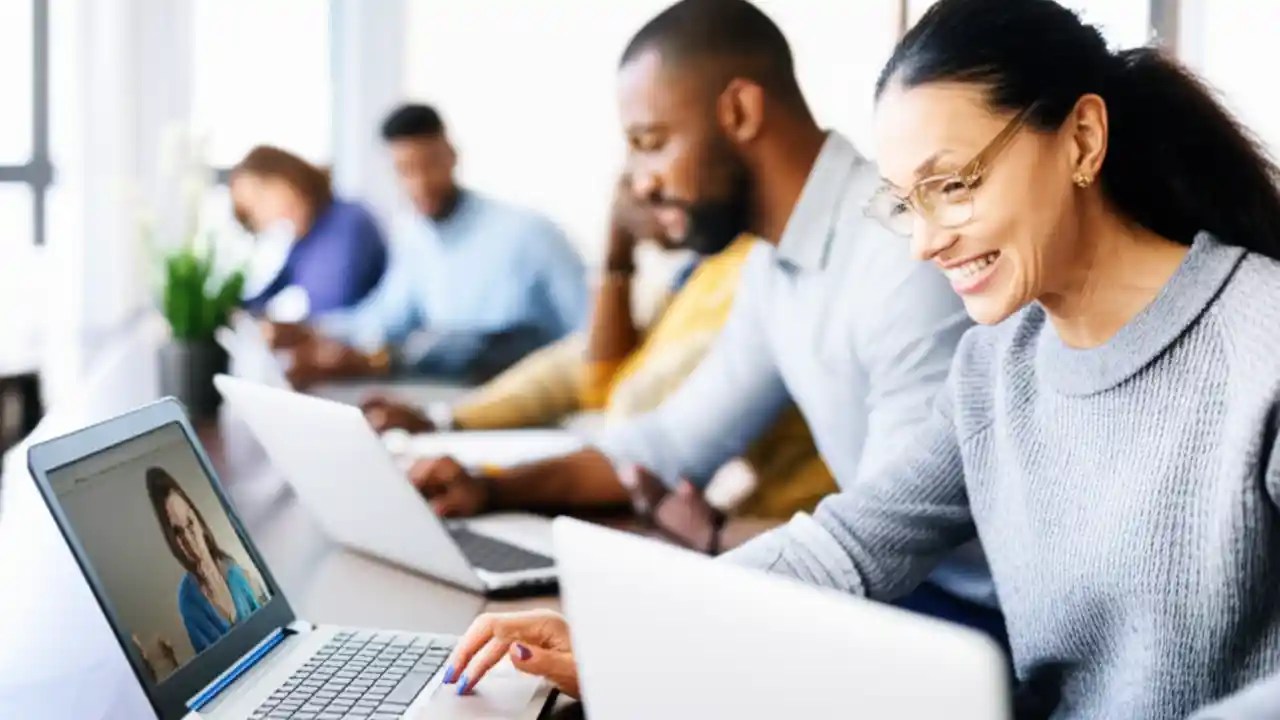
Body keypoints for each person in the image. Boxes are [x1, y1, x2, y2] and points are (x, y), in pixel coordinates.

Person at [438, 0, 1280, 716]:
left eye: (952, 186)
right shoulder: (995, 366)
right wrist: (623, 635)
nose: (923, 245)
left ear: (1083, 139)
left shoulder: (1260, 341)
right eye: (907, 203)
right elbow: (847, 546)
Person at [405, 0, 994, 636]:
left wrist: (632, 628)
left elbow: (880, 542)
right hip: (890, 593)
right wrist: (489, 488)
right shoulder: (775, 265)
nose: (640, 184)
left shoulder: (898, 251)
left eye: (651, 144)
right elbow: (667, 446)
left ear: (739, 111)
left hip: (965, 620)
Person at [365, 180, 836, 520]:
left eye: (650, 142)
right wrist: (447, 420)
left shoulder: (757, 272)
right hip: (722, 528)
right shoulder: (701, 267)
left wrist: (495, 484)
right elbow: (574, 368)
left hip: (774, 536)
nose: (634, 184)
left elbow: (635, 415)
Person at [267, 104, 589, 385]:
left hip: (526, 393)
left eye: (430, 164)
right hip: (446, 389)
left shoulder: (530, 233)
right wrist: (310, 330)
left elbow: (588, 329)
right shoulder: (414, 238)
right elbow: (384, 318)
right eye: (405, 170)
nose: (420, 182)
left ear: (452, 156)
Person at [231, 145, 387, 316]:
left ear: (287, 175)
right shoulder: (306, 239)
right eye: (251, 212)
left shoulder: (349, 222)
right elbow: (266, 296)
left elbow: (333, 303)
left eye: (260, 198)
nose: (261, 217)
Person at [145, 468, 265, 655]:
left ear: (198, 521)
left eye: (190, 523)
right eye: (177, 532)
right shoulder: (188, 602)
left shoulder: (232, 569)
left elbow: (266, 622)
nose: (189, 539)